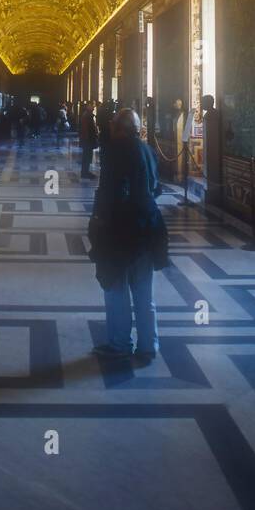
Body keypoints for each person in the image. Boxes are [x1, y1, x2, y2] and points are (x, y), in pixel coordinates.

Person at [87, 108, 169, 362]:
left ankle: (120, 343)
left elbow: (112, 192)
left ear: (118, 128)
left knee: (116, 287)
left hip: (122, 230)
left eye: (112, 124)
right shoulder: (147, 150)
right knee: (144, 292)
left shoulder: (116, 151)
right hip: (149, 226)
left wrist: (100, 221)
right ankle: (148, 345)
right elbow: (156, 187)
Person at [79, 100, 99, 179]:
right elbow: (85, 129)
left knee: (87, 156)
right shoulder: (87, 115)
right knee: (86, 156)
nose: (94, 107)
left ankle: (85, 171)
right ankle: (85, 173)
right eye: (92, 105)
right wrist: (87, 139)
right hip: (87, 140)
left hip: (88, 140)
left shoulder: (88, 115)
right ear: (88, 105)